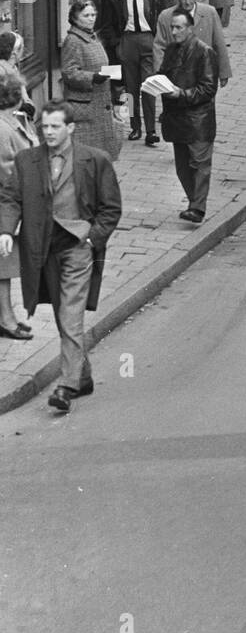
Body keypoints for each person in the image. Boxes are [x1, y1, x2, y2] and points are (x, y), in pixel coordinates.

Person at [0, 99, 121, 411]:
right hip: (43, 249)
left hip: (78, 248)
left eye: (55, 126)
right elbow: (11, 197)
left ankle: (66, 387)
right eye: (45, 126)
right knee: (62, 314)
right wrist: (5, 230)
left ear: (70, 128)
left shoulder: (95, 160)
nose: (48, 132)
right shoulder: (28, 160)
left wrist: (93, 240)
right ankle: (83, 375)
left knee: (69, 314)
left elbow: (111, 208)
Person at [157, 10, 218, 224]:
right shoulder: (171, 50)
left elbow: (208, 88)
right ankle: (194, 202)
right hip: (177, 119)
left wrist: (181, 94)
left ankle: (197, 207)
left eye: (178, 27)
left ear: (190, 28)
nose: (173, 32)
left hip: (199, 119)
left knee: (200, 164)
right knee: (182, 167)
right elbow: (164, 74)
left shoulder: (204, 52)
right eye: (172, 27)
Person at [104, 0, 164, 147]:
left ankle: (151, 130)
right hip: (128, 42)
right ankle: (135, 127)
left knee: (149, 86)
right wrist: (117, 45)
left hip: (148, 40)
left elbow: (163, 18)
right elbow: (109, 25)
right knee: (130, 89)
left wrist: (159, 42)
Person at [0, 71, 39, 338]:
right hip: (6, 203)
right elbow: (7, 170)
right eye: (23, 93)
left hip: (13, 203)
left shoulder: (14, 121)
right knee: (3, 265)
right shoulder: (2, 129)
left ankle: (7, 316)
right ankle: (6, 319)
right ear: (13, 96)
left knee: (6, 265)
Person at [60, 0, 122, 161]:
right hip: (85, 107)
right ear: (75, 18)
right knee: (86, 158)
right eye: (86, 15)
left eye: (93, 15)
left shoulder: (91, 36)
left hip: (98, 104)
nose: (91, 19)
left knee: (99, 158)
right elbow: (68, 72)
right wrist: (92, 77)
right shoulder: (73, 40)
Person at [153, 0, 231, 85]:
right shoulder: (166, 16)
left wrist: (223, 72)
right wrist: (160, 73)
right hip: (175, 75)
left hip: (203, 73)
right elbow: (159, 46)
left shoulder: (209, 12)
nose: (187, 2)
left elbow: (219, 43)